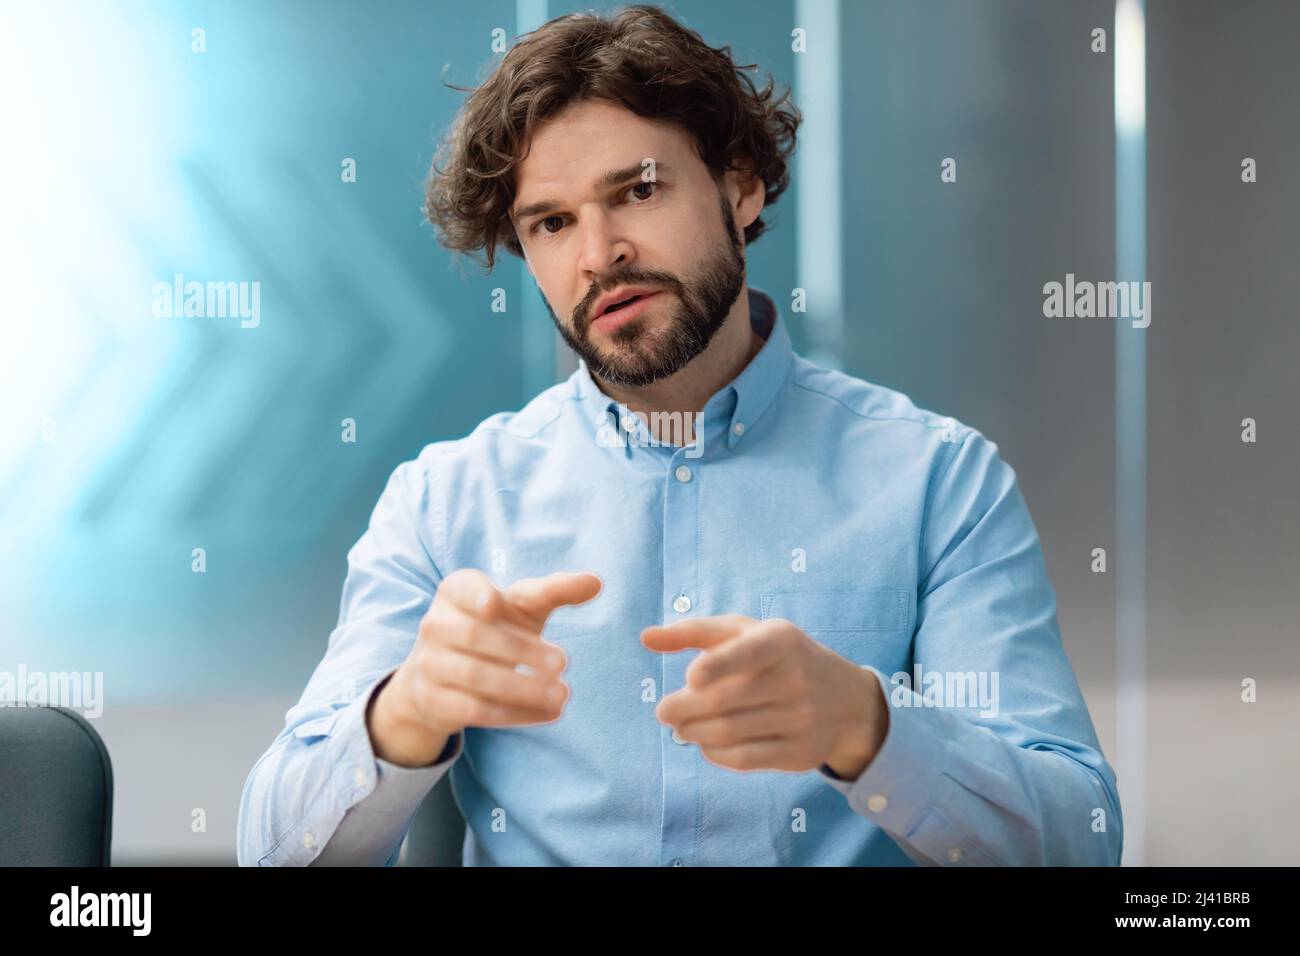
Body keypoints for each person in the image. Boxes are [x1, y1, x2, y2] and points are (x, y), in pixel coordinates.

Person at [238, 4, 1122, 867]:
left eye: (638, 191)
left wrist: (868, 726)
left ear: (740, 187)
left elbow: (1082, 842)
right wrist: (406, 713)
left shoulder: (939, 483)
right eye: (552, 222)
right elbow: (271, 853)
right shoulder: (443, 504)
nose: (599, 252)